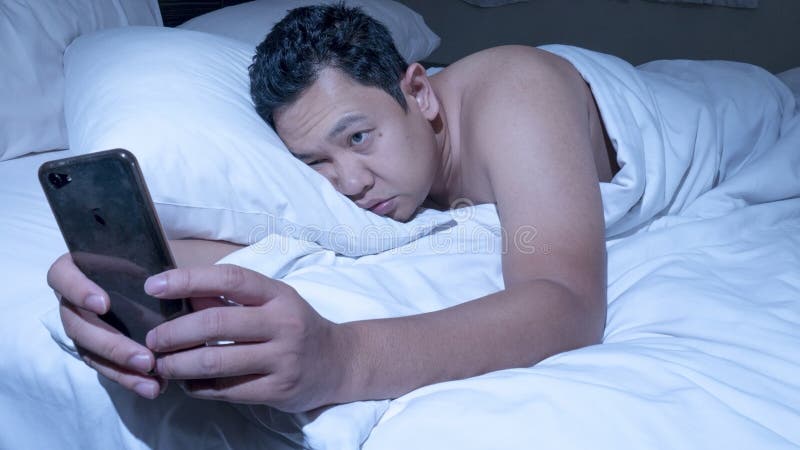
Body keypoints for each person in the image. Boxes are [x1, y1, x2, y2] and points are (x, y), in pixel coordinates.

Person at [48, 4, 612, 413]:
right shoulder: (372, 178)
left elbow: (568, 303)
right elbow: (270, 233)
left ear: (419, 93)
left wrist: (344, 358)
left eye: (359, 137)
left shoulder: (517, 93)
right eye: (316, 162)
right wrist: (101, 275)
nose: (351, 182)